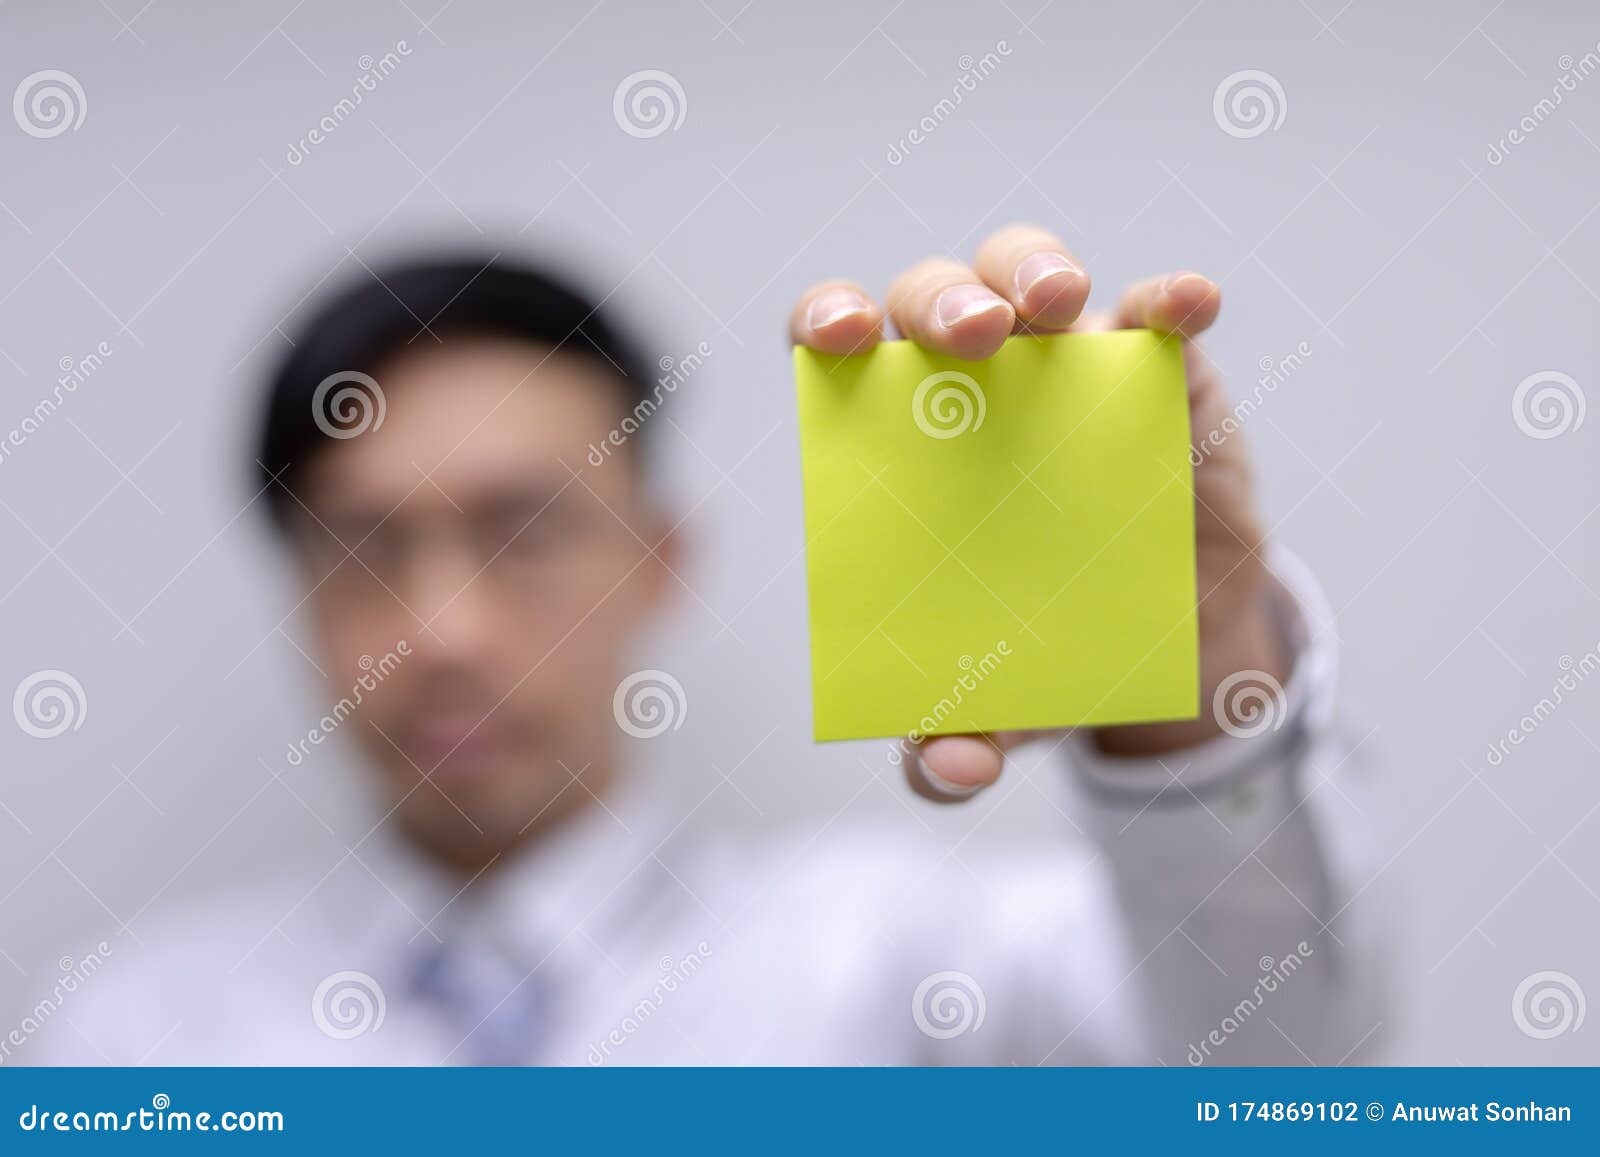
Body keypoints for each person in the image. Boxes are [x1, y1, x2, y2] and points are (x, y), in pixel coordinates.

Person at [34, 224, 1384, 1065]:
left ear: (660, 560)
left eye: (524, 531)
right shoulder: (123, 1044)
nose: (441, 631)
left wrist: (1196, 687)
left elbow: (1280, 1070)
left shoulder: (922, 962)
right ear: (297, 594)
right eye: (365, 548)